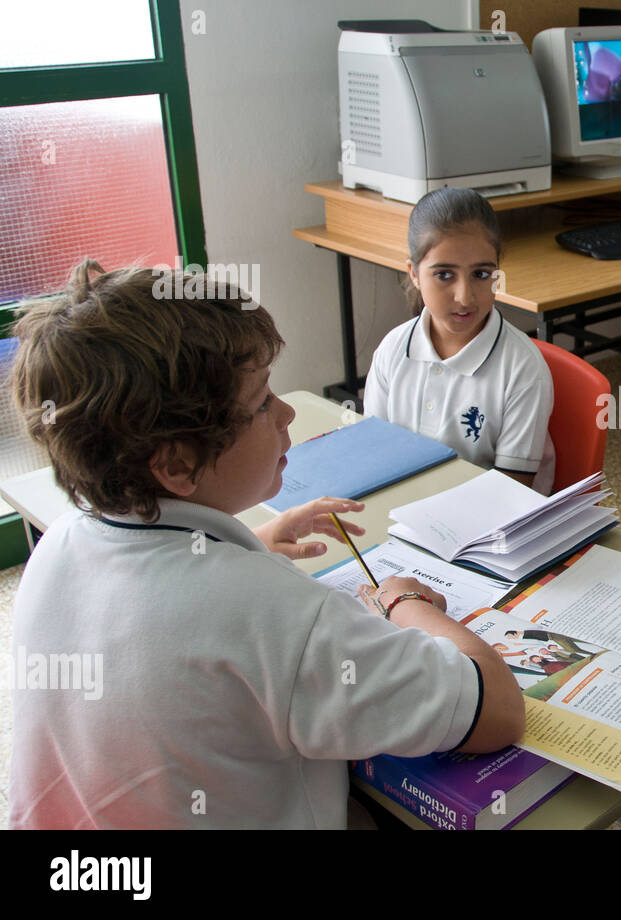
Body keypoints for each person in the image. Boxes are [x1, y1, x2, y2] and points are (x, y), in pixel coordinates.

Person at [7, 261, 525, 829]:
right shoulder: (273, 612)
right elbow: (497, 710)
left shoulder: (57, 545)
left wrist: (250, 543)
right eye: (260, 403)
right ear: (178, 462)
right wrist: (404, 603)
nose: (287, 412)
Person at [365, 186, 556, 493]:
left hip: (493, 521)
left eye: (481, 274)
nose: (464, 297)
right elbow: (376, 454)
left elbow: (512, 489)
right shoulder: (392, 350)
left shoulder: (523, 368)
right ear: (413, 273)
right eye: (444, 275)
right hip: (407, 511)